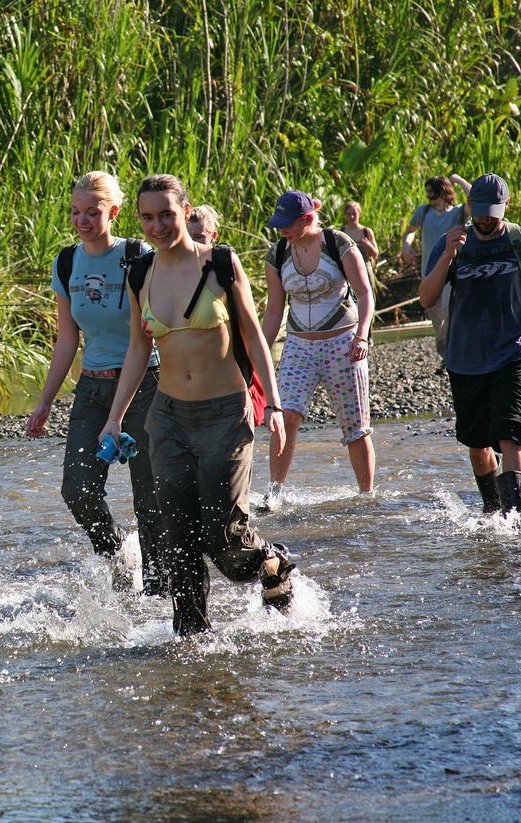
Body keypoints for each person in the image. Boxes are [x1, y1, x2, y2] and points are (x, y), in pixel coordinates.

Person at [101, 174, 293, 636]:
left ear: (185, 212)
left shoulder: (221, 263)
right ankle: (191, 639)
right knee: (178, 537)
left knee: (224, 538)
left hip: (225, 415)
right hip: (168, 418)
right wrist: (114, 417)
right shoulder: (139, 273)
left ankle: (271, 562)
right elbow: (137, 350)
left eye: (166, 214)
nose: (158, 226)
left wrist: (274, 405)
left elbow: (253, 335)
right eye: (147, 217)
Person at [24, 171, 170, 596]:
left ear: (114, 212)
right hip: (91, 389)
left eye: (92, 212)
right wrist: (45, 402)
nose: (82, 220)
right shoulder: (66, 262)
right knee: (77, 490)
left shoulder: (138, 256)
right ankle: (117, 553)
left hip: (145, 386)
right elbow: (66, 340)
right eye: (75, 212)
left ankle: (158, 591)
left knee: (149, 498)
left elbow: (148, 336)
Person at [419, 173, 521, 516]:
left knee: (511, 436)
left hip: (513, 353)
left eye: (493, 212)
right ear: (469, 206)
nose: (486, 219)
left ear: (506, 206)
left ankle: (517, 519)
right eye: (480, 212)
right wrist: (447, 255)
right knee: (478, 445)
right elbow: (427, 298)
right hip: (465, 360)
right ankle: (493, 514)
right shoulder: (451, 243)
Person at [262, 190, 376, 495]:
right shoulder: (277, 255)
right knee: (286, 416)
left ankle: (366, 497)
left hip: (343, 344)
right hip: (298, 346)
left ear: (307, 218)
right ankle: (274, 494)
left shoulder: (338, 243)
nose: (281, 229)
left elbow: (365, 294)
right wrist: (257, 354)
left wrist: (362, 336)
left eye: (287, 223)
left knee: (355, 427)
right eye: (278, 223)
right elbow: (273, 311)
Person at [401, 174, 472, 366]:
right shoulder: (423, 211)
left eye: (431, 192)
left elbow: (475, 200)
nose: (428, 195)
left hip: (452, 272)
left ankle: (450, 358)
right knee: (436, 317)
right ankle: (444, 354)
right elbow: (410, 231)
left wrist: (460, 180)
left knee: (449, 312)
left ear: (442, 191)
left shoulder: (458, 212)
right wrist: (406, 245)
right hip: (429, 272)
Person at [340, 201, 379, 289]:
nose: (352, 217)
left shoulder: (366, 232)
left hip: (365, 268)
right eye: (349, 214)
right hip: (348, 269)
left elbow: (376, 253)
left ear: (360, 214)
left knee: (368, 292)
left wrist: (369, 246)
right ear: (345, 215)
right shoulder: (341, 232)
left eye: (354, 214)